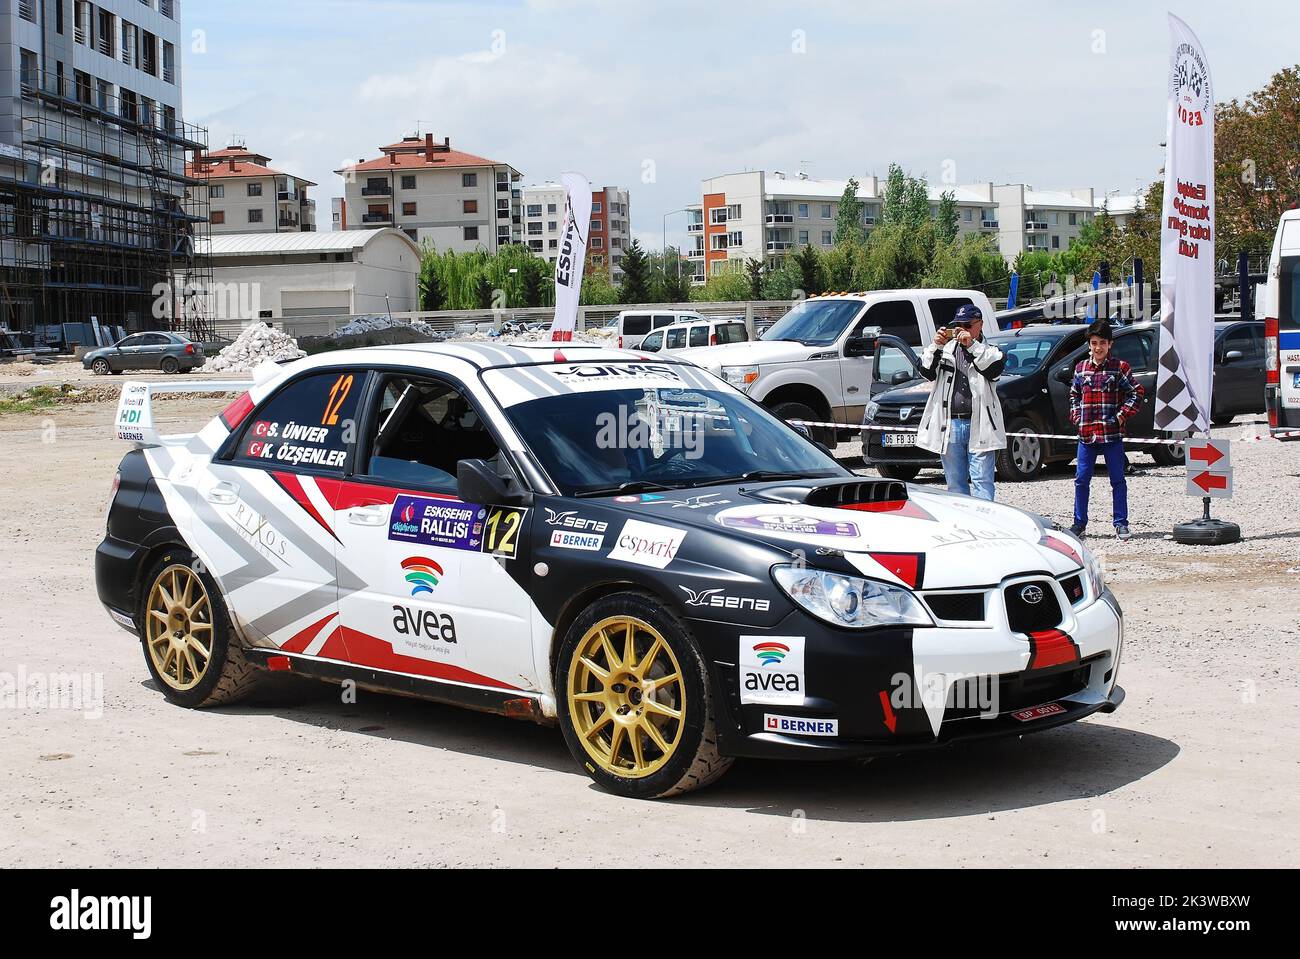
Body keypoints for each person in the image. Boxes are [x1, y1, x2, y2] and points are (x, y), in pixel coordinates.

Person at [915, 304, 1006, 500]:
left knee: (982, 481)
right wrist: (936, 345)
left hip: (980, 424)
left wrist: (971, 345)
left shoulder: (991, 350)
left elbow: (994, 369)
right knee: (955, 484)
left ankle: (986, 526)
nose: (961, 330)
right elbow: (925, 371)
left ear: (979, 325)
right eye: (957, 325)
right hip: (951, 425)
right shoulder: (945, 350)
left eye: (966, 325)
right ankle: (964, 527)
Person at [1069, 319, 1144, 540]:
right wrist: (1076, 416)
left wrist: (1120, 417)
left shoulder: (1120, 368)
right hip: (1086, 435)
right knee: (1081, 479)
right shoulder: (1080, 368)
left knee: (1117, 479)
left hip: (1112, 435)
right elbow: (1074, 394)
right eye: (1094, 343)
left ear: (1110, 344)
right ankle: (1079, 524)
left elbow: (1136, 393)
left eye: (1102, 342)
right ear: (1089, 345)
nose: (1098, 347)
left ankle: (1121, 523)